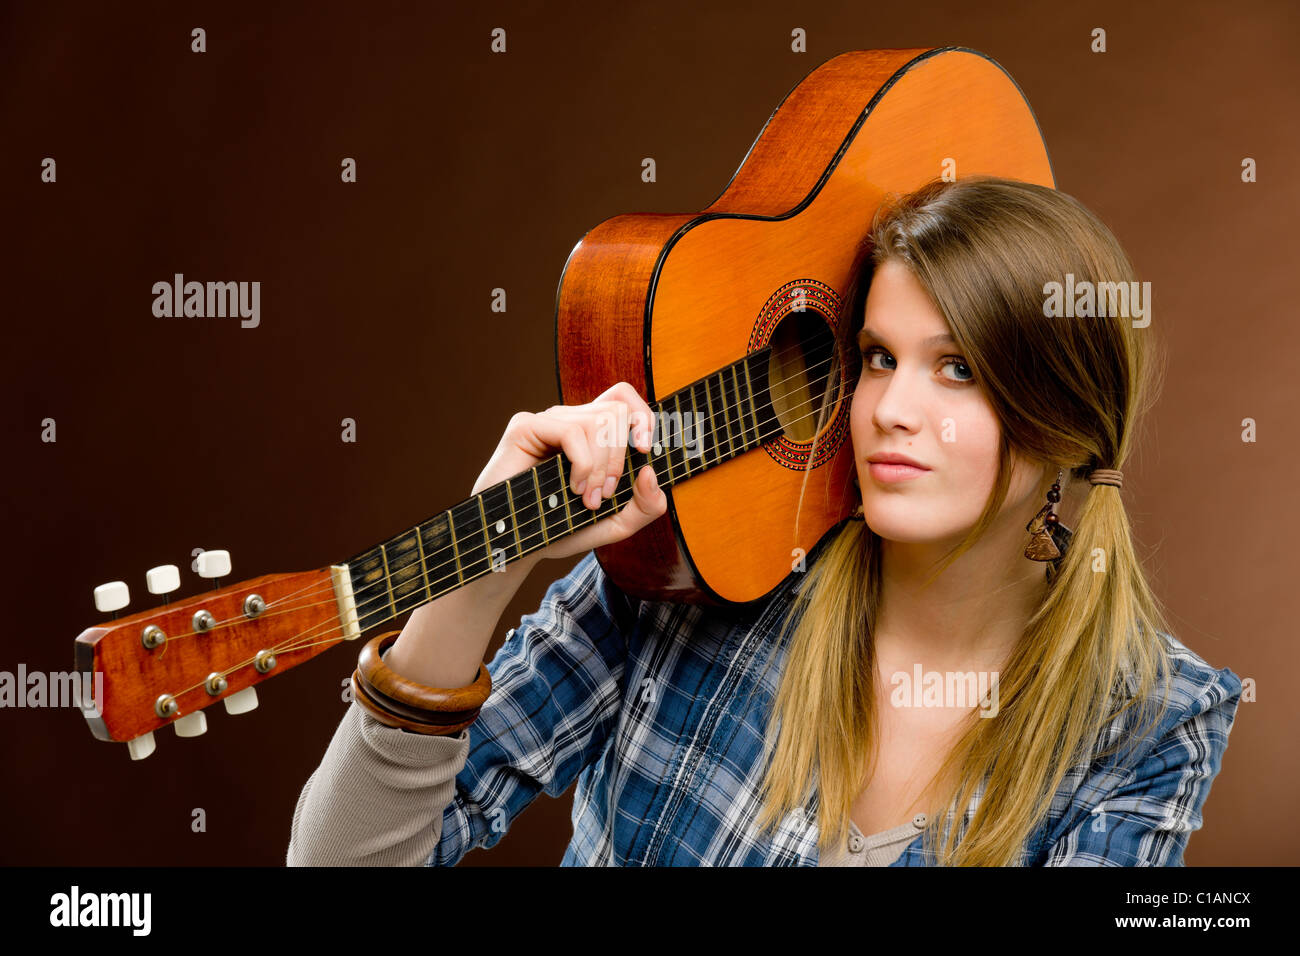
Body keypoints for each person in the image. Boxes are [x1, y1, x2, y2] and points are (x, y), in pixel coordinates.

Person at [287, 176, 1242, 867]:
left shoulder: (1153, 724)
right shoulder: (696, 567)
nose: (891, 410)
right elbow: (343, 863)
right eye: (877, 357)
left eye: (956, 369)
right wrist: (492, 550)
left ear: (1063, 418)